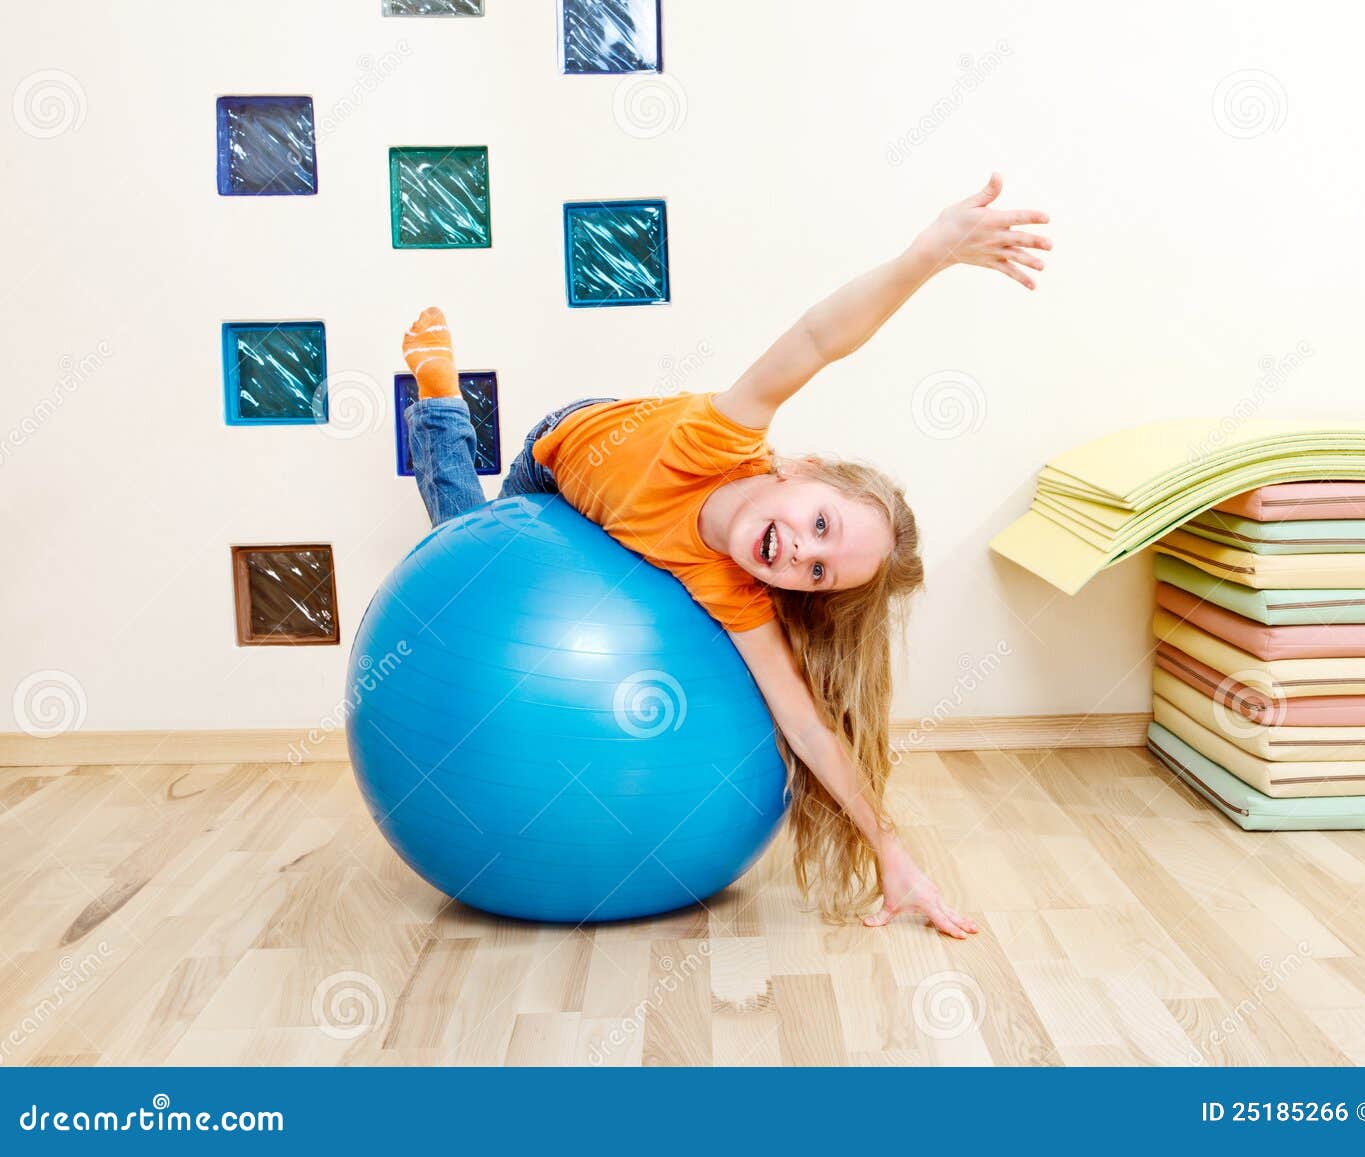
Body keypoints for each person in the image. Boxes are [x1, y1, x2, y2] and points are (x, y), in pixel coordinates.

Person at [401, 174, 1049, 937]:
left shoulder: (734, 589)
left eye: (817, 571)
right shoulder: (720, 436)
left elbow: (808, 729)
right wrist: (928, 255)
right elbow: (818, 337)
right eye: (819, 523)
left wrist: (893, 854)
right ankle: (440, 400)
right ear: (797, 468)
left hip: (618, 540)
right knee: (462, 557)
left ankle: (446, 416)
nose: (802, 551)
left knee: (471, 577)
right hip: (561, 457)